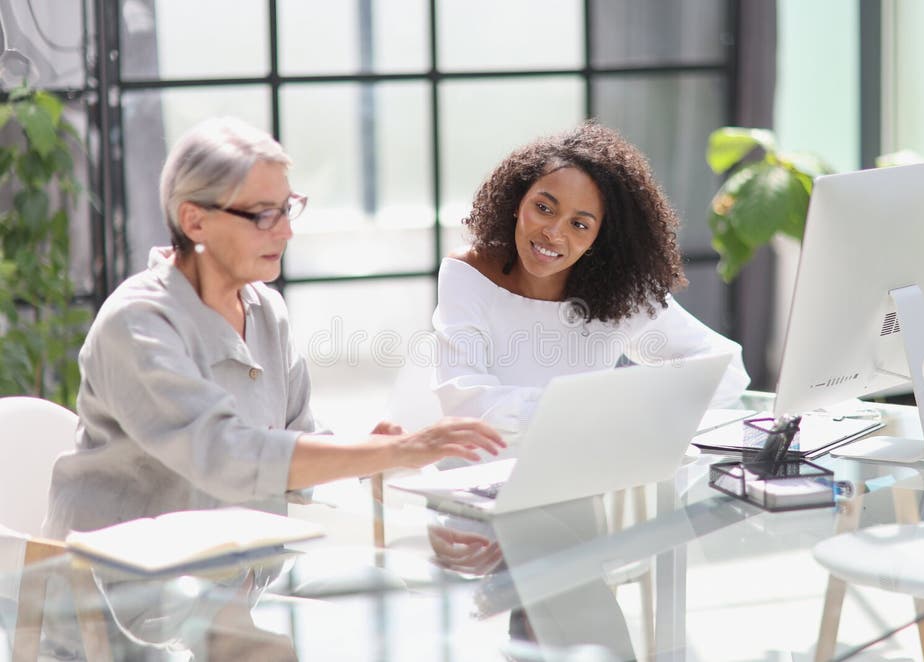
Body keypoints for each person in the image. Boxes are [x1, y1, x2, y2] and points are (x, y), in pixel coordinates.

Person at [43, 117, 503, 540]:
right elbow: (226, 456)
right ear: (194, 220)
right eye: (263, 215)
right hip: (114, 592)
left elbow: (296, 435)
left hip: (232, 578)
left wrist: (371, 451)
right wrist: (397, 451)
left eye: (287, 210)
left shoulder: (265, 309)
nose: (285, 233)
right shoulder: (137, 322)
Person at [433, 122, 750, 438]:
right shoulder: (470, 273)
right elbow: (467, 404)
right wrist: (597, 409)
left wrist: (622, 408)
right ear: (518, 201)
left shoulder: (616, 289)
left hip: (586, 472)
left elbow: (727, 370)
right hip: (485, 474)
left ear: (600, 237)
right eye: (543, 208)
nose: (554, 233)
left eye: (580, 225)